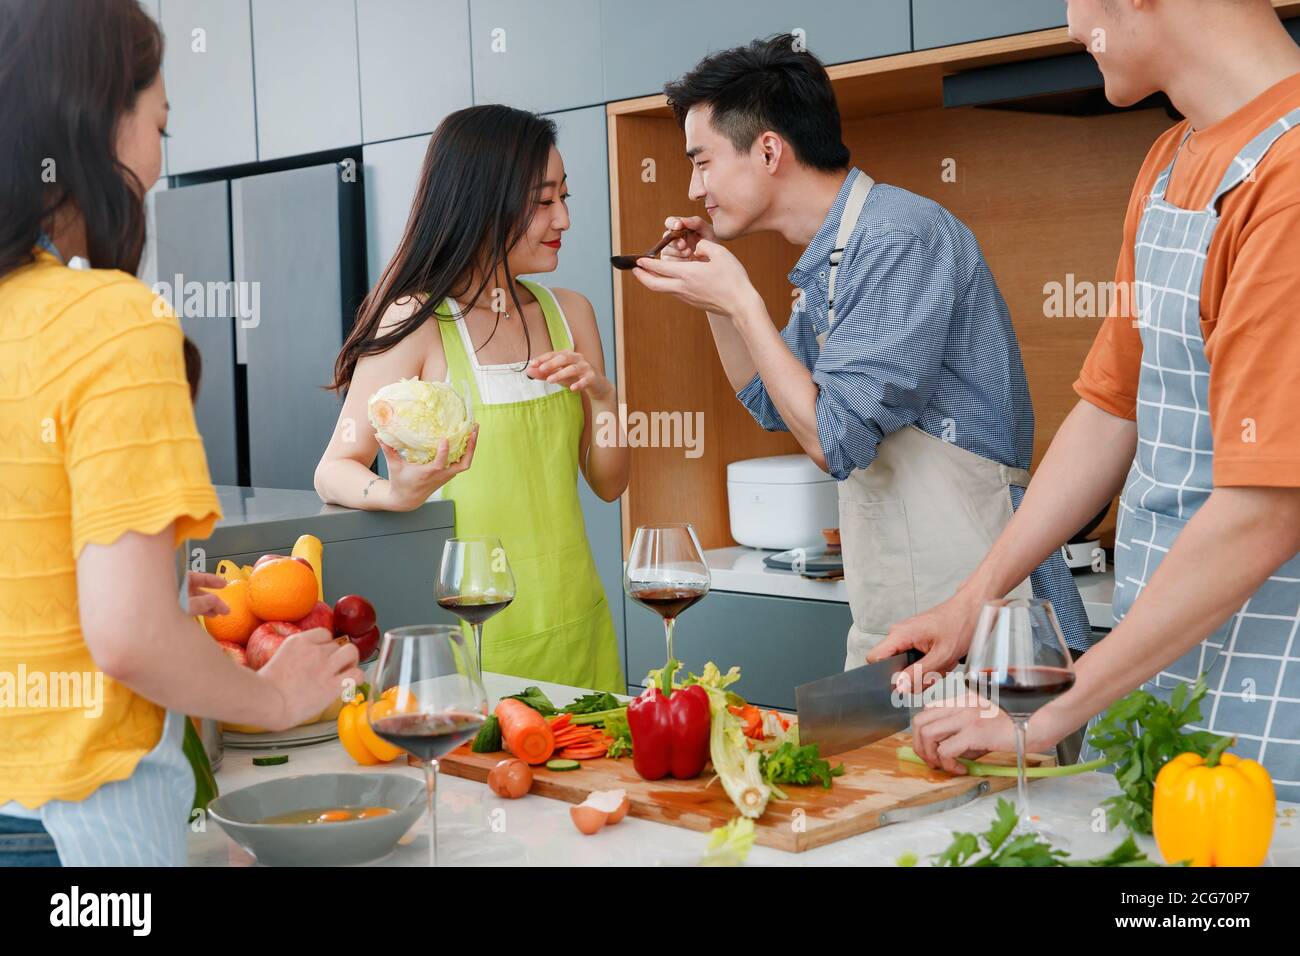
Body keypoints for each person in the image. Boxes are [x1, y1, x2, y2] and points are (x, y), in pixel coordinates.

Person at [874, 0, 1300, 802]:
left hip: (1279, 700)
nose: (1071, 23)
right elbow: (1113, 409)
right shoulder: (1173, 159)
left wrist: (1046, 710)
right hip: (1160, 675)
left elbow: (1267, 507)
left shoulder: (1292, 179)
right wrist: (976, 599)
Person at [0, 0, 362, 866]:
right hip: (75, 826)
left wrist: (156, 602)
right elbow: (123, 638)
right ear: (98, 120)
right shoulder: (110, 322)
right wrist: (271, 698)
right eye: (159, 122)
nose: (160, 160)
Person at [633, 35, 1092, 675]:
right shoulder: (836, 253)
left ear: (768, 149)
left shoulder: (897, 237)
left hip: (984, 613)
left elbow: (835, 439)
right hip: (897, 611)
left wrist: (741, 301)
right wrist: (717, 302)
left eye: (702, 161)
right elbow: (774, 403)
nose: (692, 187)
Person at [316, 105, 628, 694]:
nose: (563, 216)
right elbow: (333, 468)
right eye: (543, 201)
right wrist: (394, 491)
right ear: (483, 202)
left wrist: (606, 402)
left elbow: (609, 484)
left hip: (578, 625)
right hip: (477, 636)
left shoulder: (572, 313)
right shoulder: (418, 321)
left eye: (565, 196)